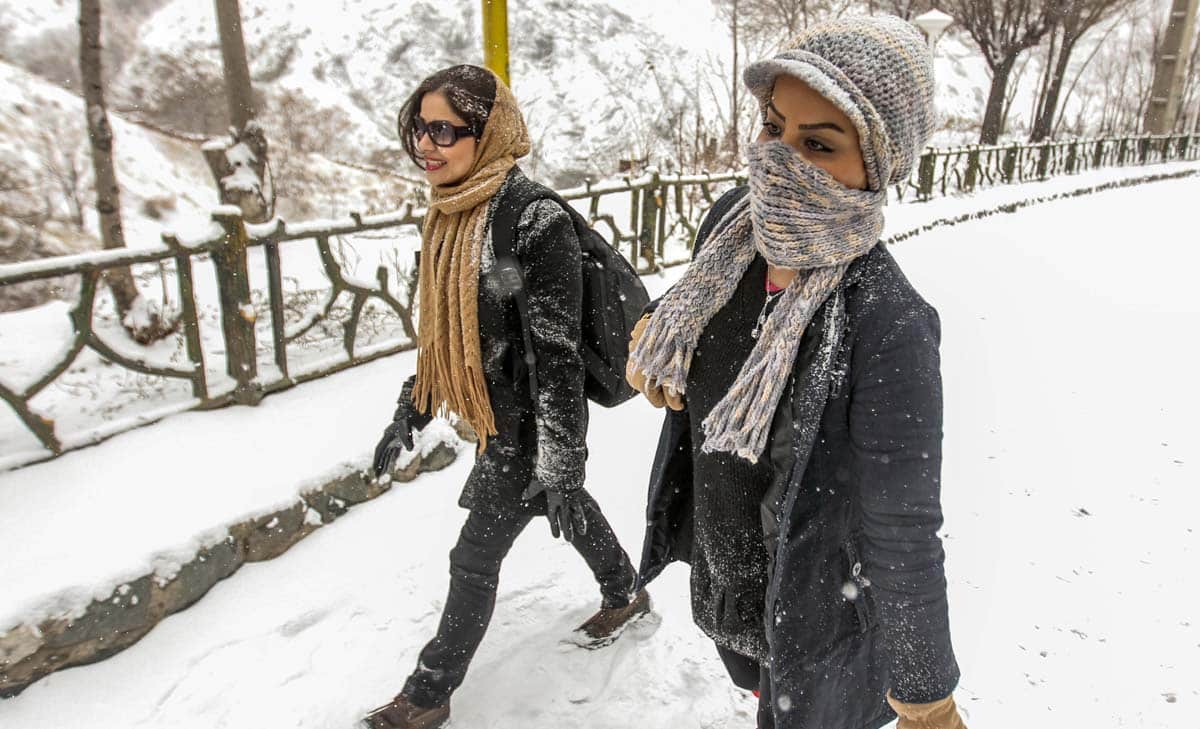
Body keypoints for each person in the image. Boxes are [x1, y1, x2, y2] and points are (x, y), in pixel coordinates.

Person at [626, 16, 967, 729]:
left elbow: (901, 525)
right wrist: (661, 338)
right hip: (728, 581)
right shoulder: (733, 227)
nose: (778, 159)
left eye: (817, 143)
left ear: (877, 162)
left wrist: (926, 693)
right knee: (758, 685)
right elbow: (701, 315)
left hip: (811, 608)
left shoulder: (887, 323)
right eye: (772, 127)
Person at [364, 65, 649, 729]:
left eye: (443, 130)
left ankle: (428, 693)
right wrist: (409, 412)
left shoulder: (533, 221)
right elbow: (443, 339)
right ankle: (624, 589)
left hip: (528, 421)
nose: (425, 146)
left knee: (474, 556)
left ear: (486, 133)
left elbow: (557, 356)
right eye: (418, 128)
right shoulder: (449, 216)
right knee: (565, 503)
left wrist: (560, 453)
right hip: (497, 415)